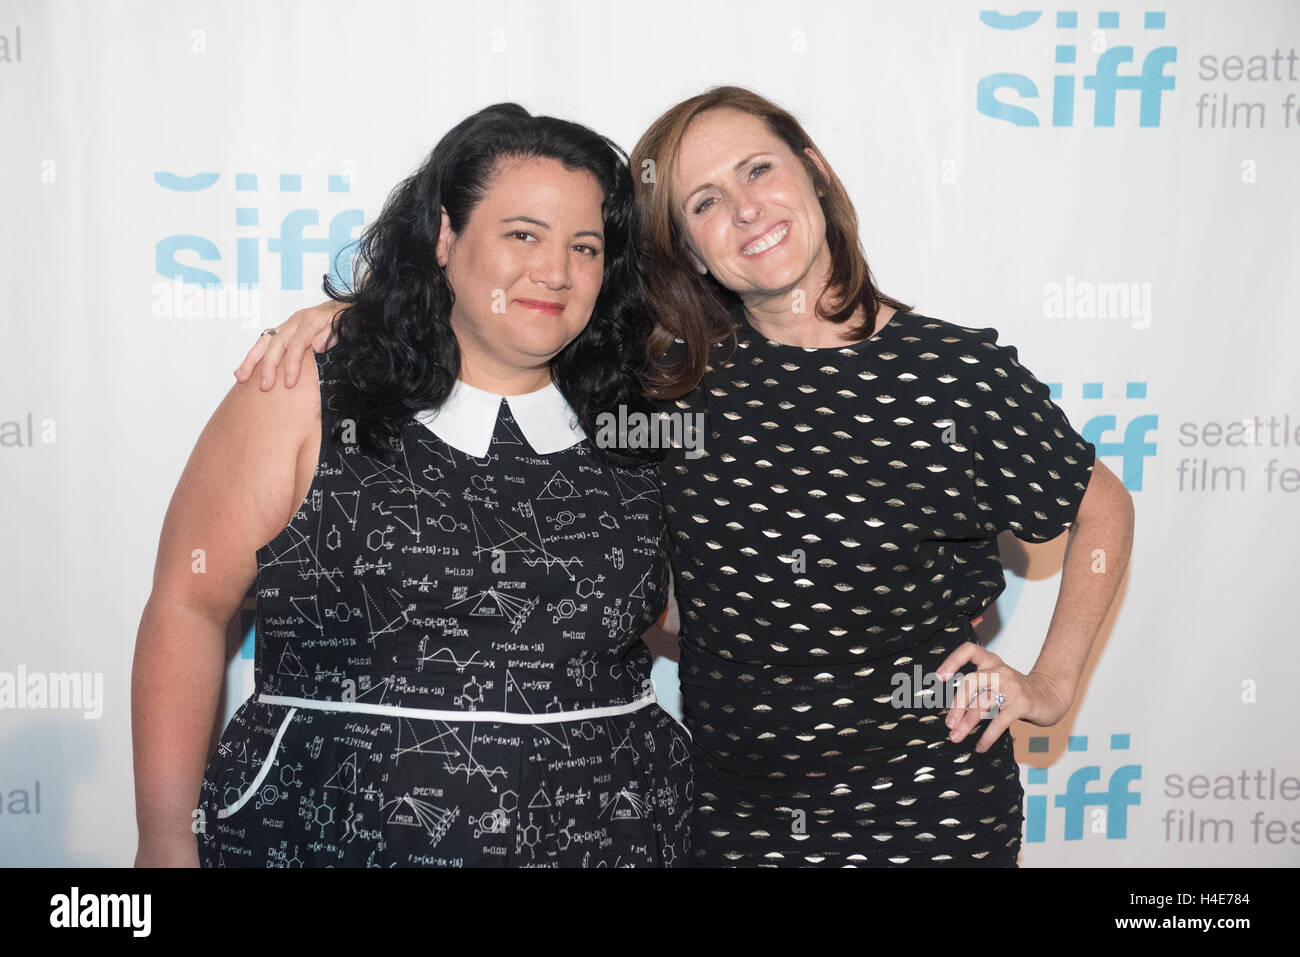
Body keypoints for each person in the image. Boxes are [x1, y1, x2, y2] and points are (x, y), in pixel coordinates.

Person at [240, 87, 1135, 868]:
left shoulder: (958, 376)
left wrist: (1049, 685)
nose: (746, 210)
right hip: (725, 827)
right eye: (707, 201)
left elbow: (1102, 509)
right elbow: (515, 305)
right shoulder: (669, 379)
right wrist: (349, 311)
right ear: (692, 250)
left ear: (815, 174)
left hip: (928, 817)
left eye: (760, 170)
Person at [132, 103, 693, 868]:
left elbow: (689, 618)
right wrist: (164, 837)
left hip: (619, 841)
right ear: (443, 235)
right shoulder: (306, 390)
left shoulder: (639, 425)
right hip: (320, 839)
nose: (556, 271)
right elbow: (188, 603)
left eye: (585, 246)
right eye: (522, 234)